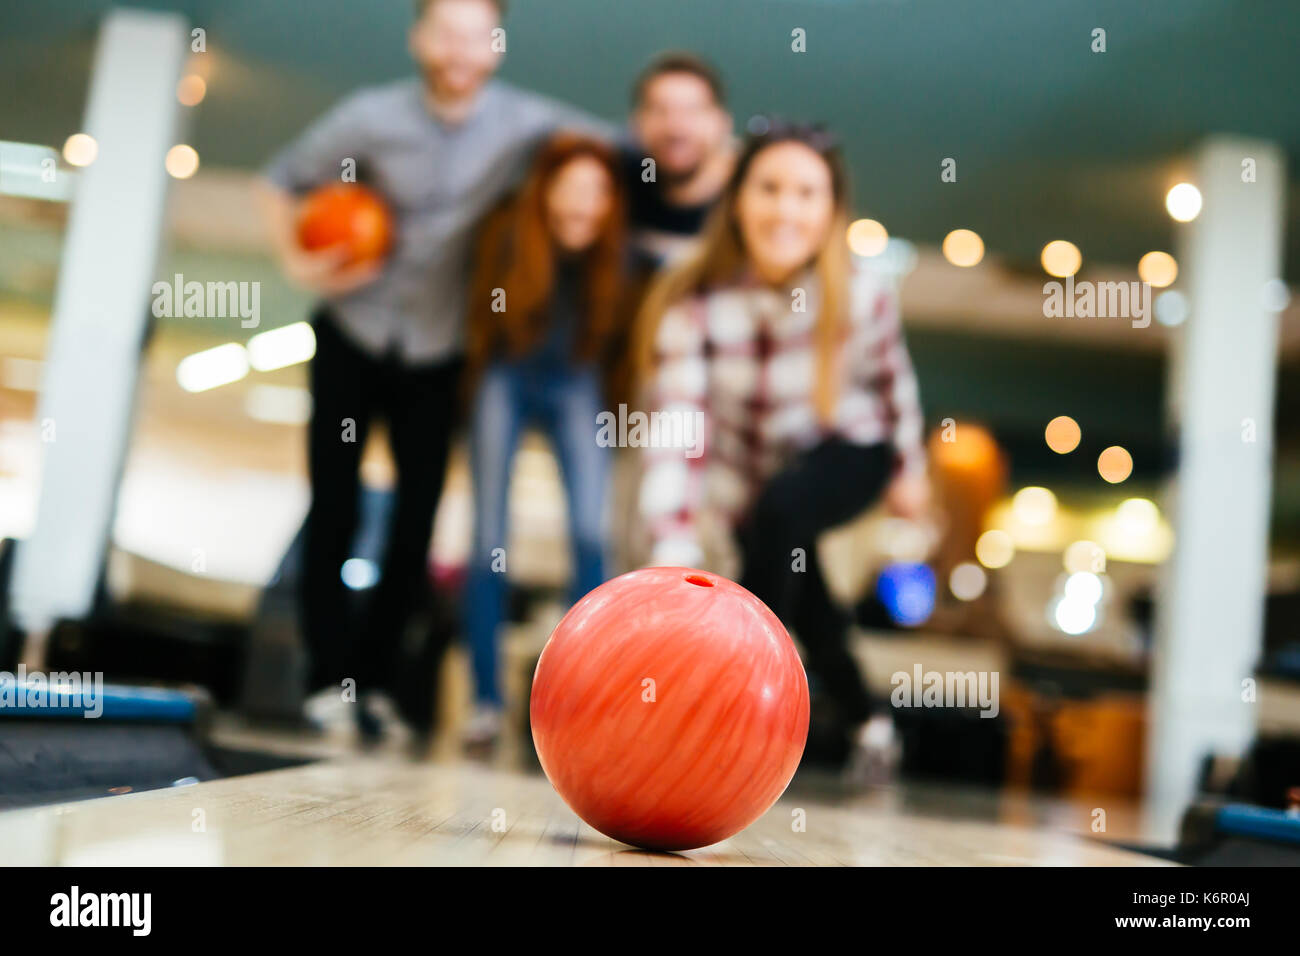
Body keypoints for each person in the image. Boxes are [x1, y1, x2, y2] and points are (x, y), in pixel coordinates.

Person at [257, 0, 602, 739]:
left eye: (475, 35)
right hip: (354, 333)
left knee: (416, 521)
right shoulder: (369, 116)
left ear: (496, 46)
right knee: (335, 506)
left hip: (440, 353)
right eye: (444, 31)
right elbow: (278, 178)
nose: (458, 49)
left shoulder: (525, 124)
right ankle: (326, 680)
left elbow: (616, 148)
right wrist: (297, 261)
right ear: (419, 38)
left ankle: (374, 684)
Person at [635, 120, 930, 781]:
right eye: (769, 188)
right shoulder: (694, 304)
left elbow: (893, 385)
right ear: (738, 200)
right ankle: (871, 723)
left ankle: (728, 711)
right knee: (801, 578)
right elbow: (676, 431)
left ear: (831, 210)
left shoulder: (862, 291)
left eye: (807, 193)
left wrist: (911, 470)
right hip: (753, 479)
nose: (786, 209)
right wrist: (672, 548)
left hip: (851, 447)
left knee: (783, 517)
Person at [461, 134, 627, 747]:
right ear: (546, 191)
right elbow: (479, 315)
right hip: (507, 373)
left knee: (590, 531)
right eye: (572, 188)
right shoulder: (507, 234)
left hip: (575, 381)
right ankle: (485, 701)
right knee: (487, 538)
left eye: (599, 192)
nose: (585, 204)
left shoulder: (616, 257)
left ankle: (580, 699)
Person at [622, 52, 735, 271]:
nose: (676, 127)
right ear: (636, 123)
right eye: (659, 110)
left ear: (723, 123)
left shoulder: (750, 197)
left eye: (692, 111)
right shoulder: (618, 186)